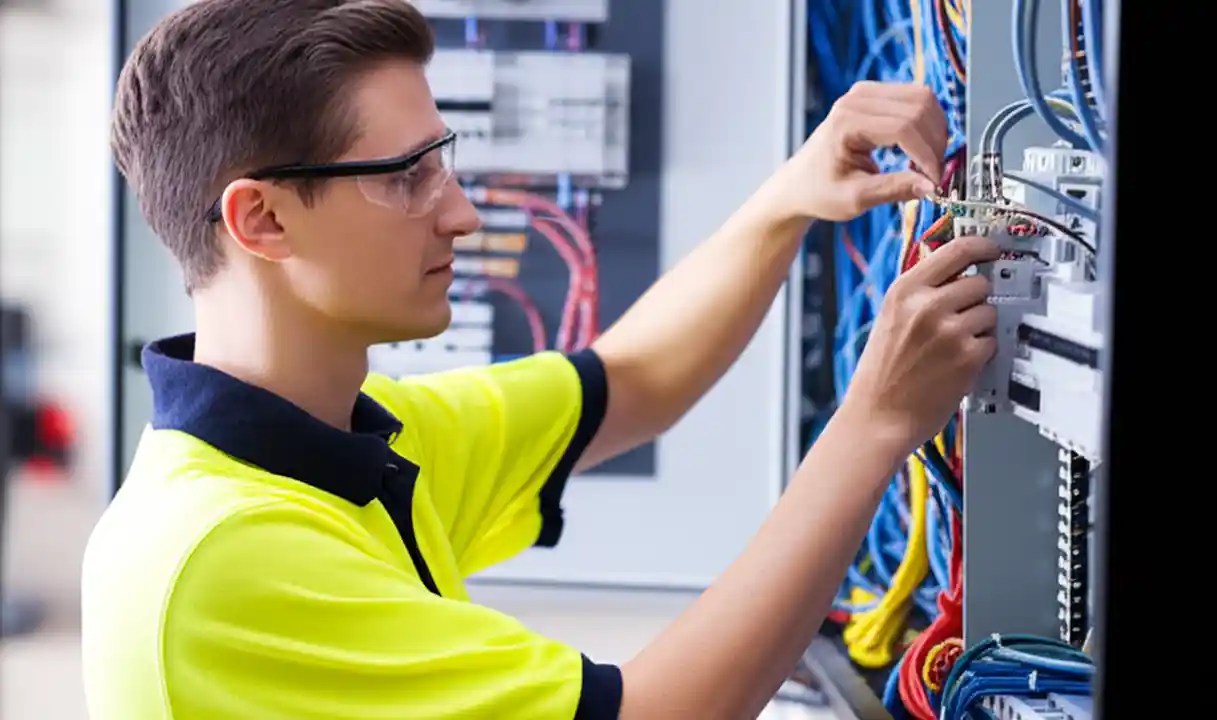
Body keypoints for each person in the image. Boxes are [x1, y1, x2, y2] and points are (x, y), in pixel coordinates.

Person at [81, 1, 999, 718]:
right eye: (407, 176)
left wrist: (787, 199)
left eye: (441, 161)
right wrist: (875, 422)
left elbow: (630, 381)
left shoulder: (352, 440)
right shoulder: (220, 558)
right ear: (263, 220)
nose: (461, 213)